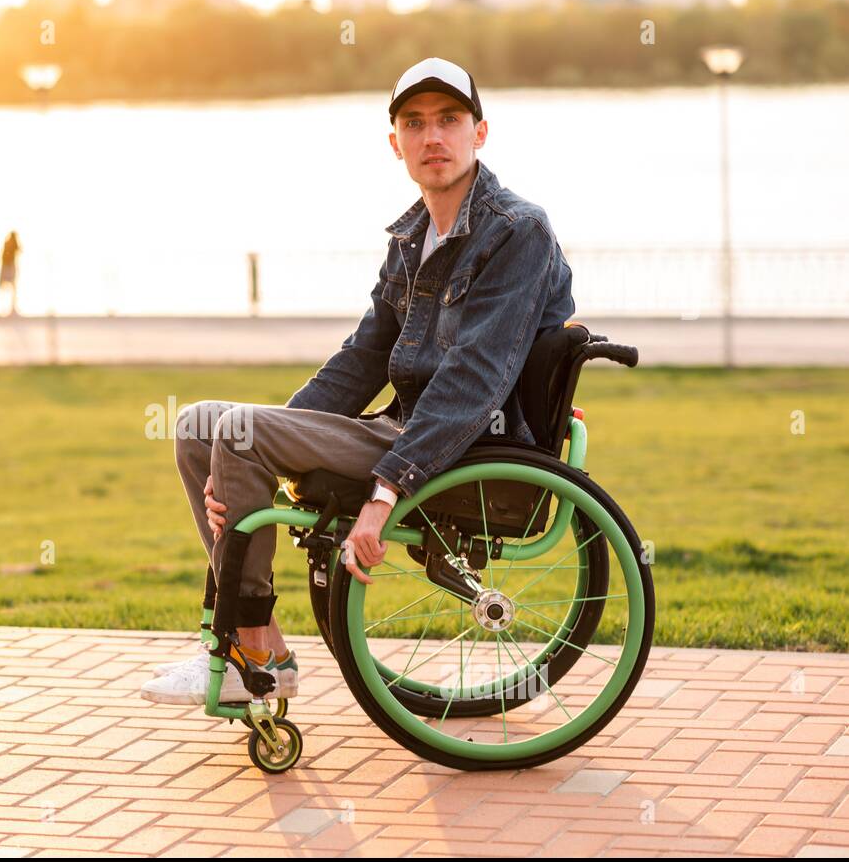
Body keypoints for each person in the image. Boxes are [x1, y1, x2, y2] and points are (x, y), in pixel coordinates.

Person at [141, 57, 575, 705]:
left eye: (449, 120)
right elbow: (361, 359)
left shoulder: (517, 230)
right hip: (401, 427)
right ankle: (266, 649)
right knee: (200, 425)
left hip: (469, 445)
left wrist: (384, 490)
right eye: (415, 123)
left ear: (479, 132)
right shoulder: (411, 238)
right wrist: (262, 446)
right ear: (394, 141)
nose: (433, 137)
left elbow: (475, 378)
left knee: (234, 432)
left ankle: (249, 655)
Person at [0, 231, 21, 316]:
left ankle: (9, 308)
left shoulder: (9, 244)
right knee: (10, 288)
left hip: (8, 267)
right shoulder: (11, 244)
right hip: (9, 267)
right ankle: (8, 308)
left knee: (10, 288)